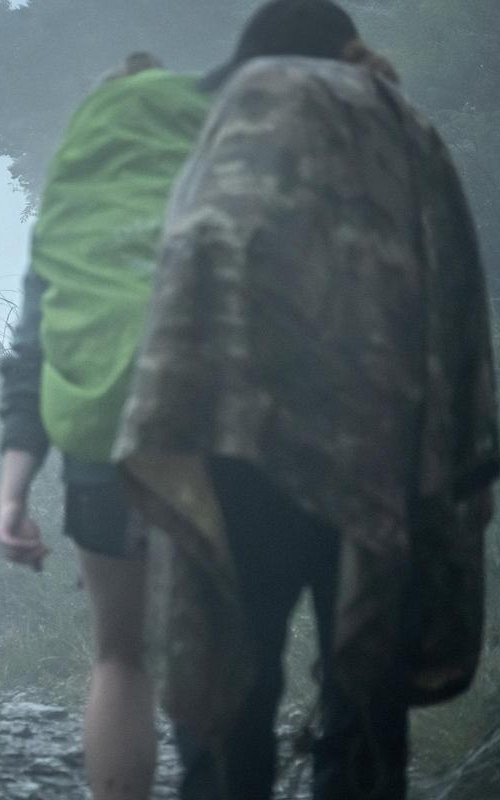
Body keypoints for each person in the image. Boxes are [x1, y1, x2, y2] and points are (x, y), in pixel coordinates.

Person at [112, 2, 499, 798]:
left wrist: (162, 426)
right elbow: (457, 291)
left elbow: (185, 272)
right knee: (364, 684)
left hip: (235, 436)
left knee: (230, 663)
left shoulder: (240, 109)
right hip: (378, 445)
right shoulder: (402, 122)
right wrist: (458, 454)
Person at [0, 52, 213, 799]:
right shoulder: (222, 193)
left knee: (121, 658)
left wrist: (11, 495)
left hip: (102, 450)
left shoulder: (70, 217)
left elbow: (30, 360)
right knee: (214, 649)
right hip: (211, 444)